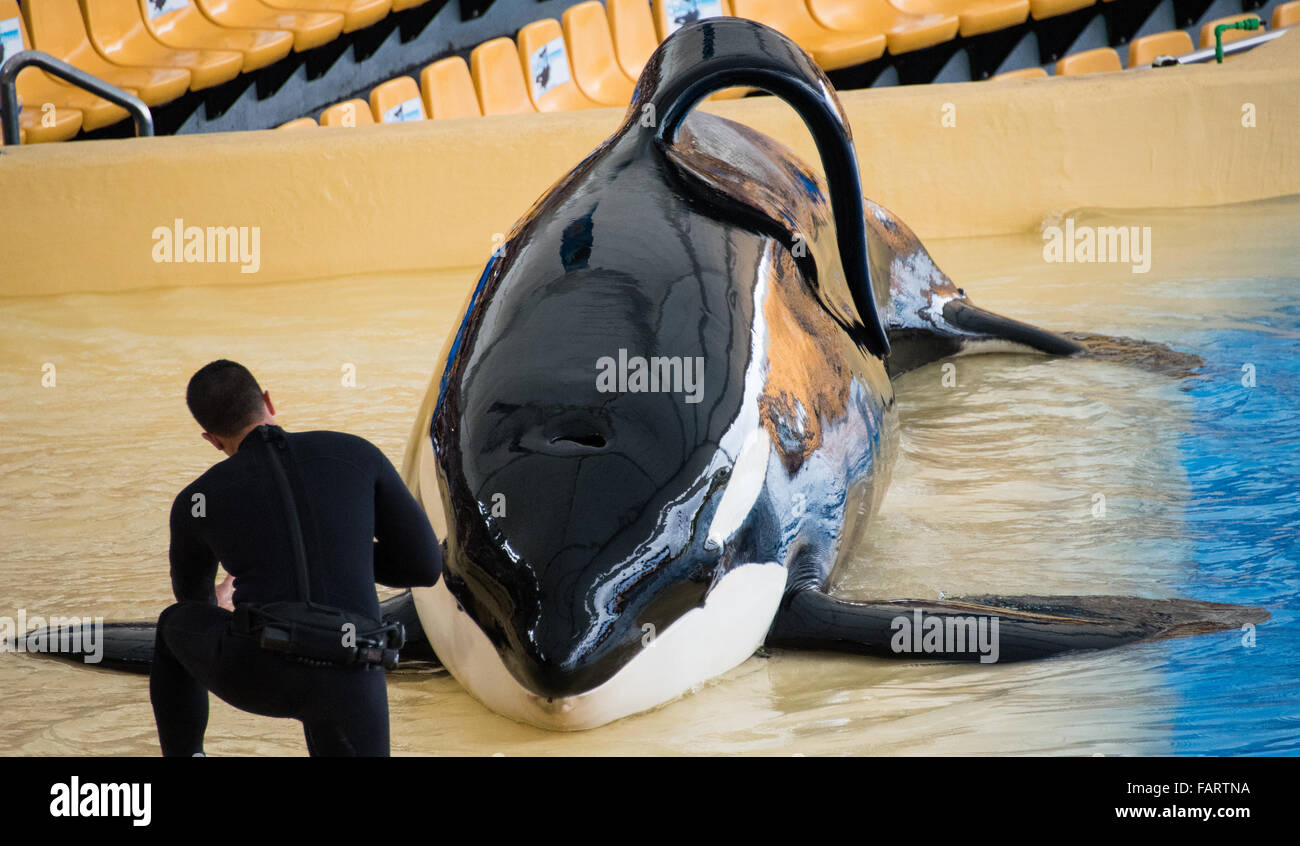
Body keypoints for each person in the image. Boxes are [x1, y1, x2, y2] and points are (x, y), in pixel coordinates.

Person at [150, 360, 442, 756]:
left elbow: (193, 603)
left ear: (212, 439)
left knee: (173, 625)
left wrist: (221, 601)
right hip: (354, 665)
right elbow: (423, 566)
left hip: (260, 668)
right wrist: (343, 549)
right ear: (269, 401)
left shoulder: (196, 500)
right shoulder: (356, 453)